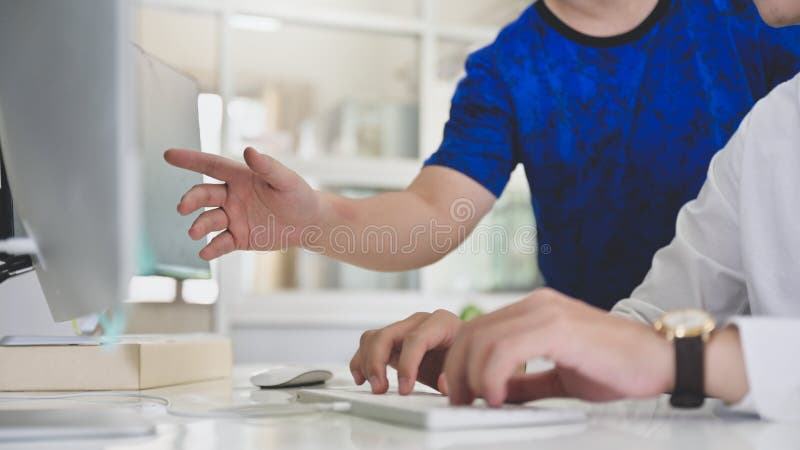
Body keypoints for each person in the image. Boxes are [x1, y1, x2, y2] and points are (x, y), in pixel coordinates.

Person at [165, 0, 800, 312]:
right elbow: (431, 211)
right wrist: (313, 220)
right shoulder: (508, 69)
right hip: (595, 359)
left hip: (758, 354)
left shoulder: (748, 15)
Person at [348, 0, 800, 422]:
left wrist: (676, 361)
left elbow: (658, 355)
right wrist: (507, 353)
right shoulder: (767, 128)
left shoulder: (738, 28)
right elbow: (648, 329)